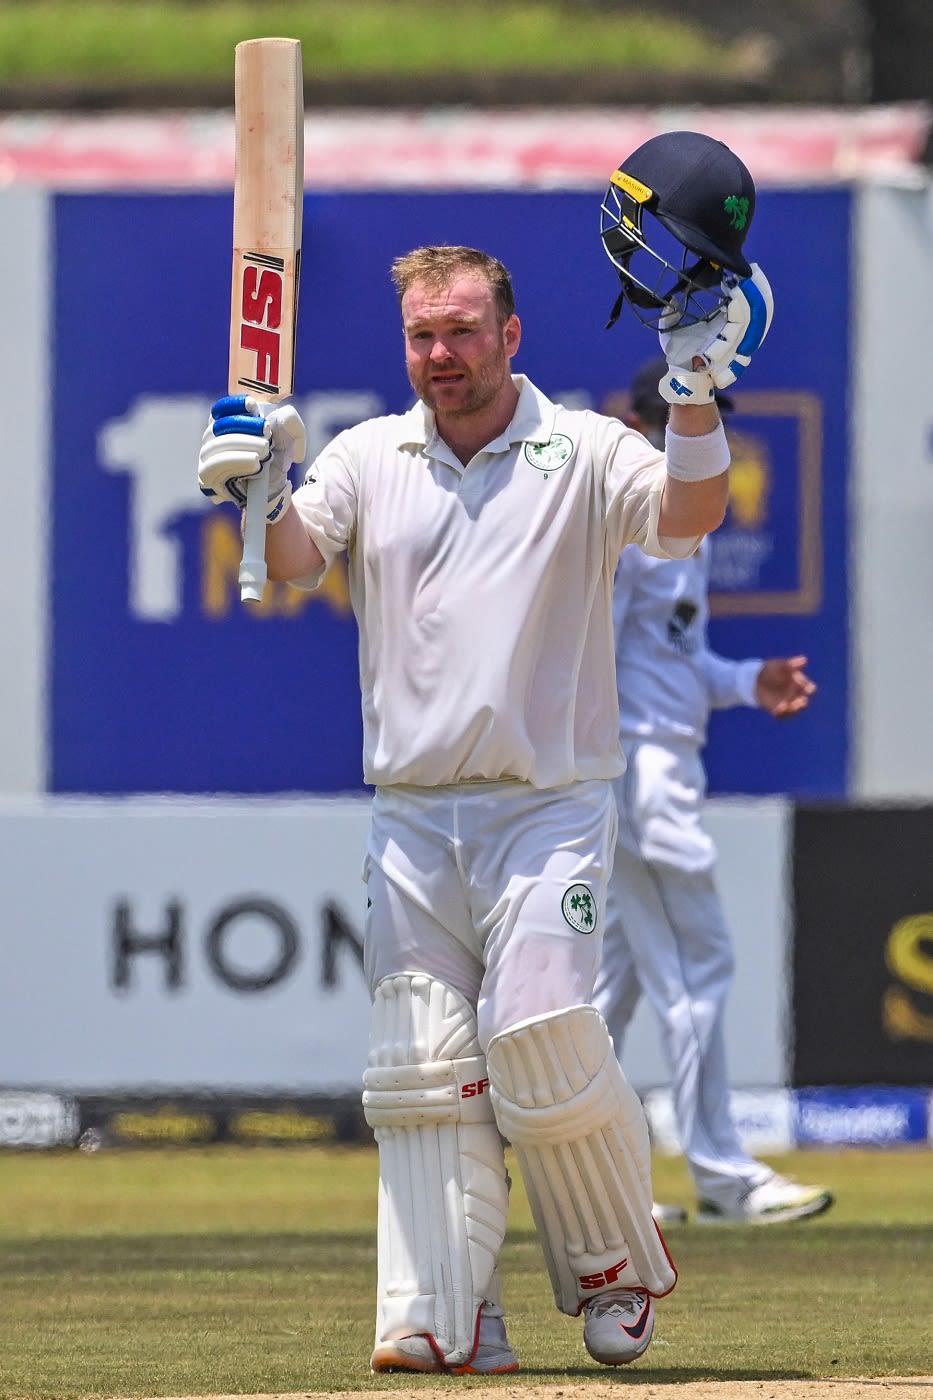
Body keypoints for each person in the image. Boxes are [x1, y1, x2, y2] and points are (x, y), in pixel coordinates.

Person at [198, 132, 773, 1374]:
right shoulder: (364, 455)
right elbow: (291, 557)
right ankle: (446, 1312)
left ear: (510, 334)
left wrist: (690, 397)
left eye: (461, 329)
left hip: (548, 804)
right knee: (422, 1068)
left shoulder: (583, 451)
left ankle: (617, 1270)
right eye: (421, 334)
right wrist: (252, 481)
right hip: (410, 815)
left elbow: (688, 517)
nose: (440, 354)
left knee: (543, 1033)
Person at [592, 356, 834, 1226]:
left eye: (705, 415)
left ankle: (590, 1182)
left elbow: (672, 659)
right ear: (634, 425)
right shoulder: (625, 522)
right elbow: (587, 656)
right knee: (698, 968)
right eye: (675, 417)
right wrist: (605, 769)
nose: (697, 430)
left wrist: (744, 682)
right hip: (637, 769)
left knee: (605, 997)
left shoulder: (676, 530)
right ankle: (724, 1176)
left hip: (651, 758)